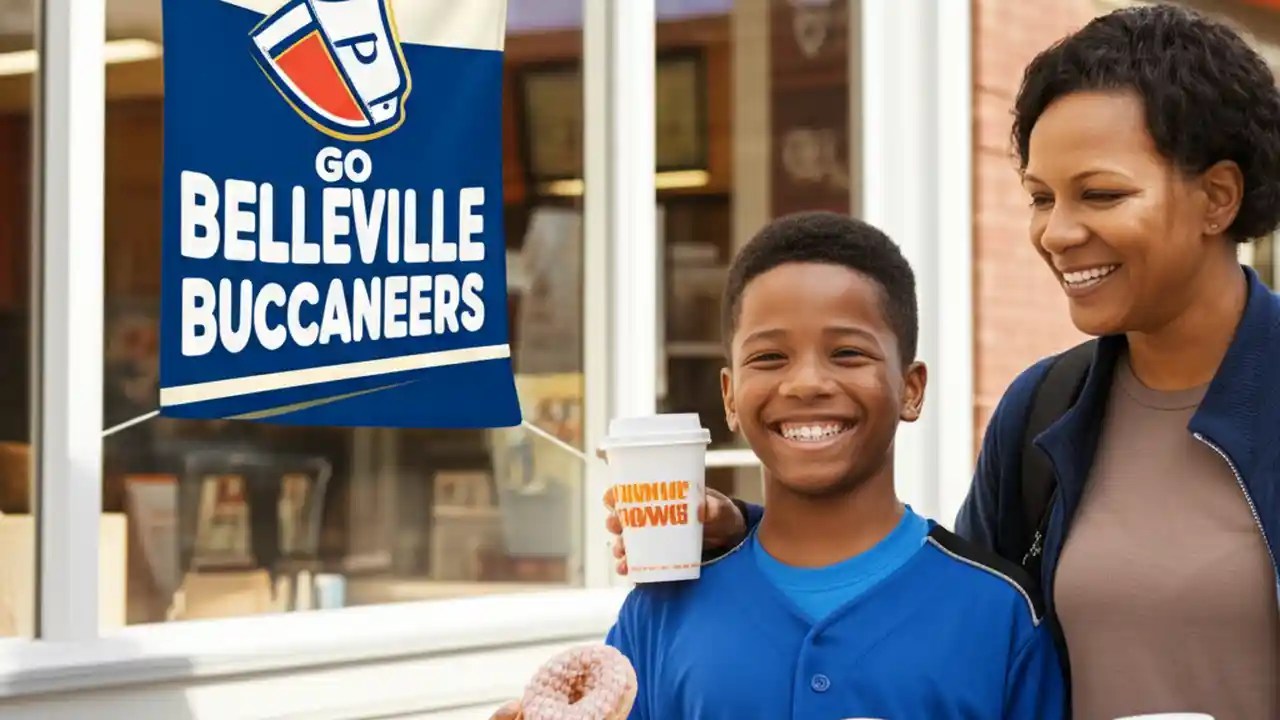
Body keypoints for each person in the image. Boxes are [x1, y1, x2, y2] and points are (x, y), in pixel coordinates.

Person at [608, 5, 1280, 720]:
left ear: (1218, 197)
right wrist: (758, 537)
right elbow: (957, 600)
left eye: (1102, 194)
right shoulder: (1048, 408)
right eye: (1041, 198)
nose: (1057, 232)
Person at [594, 211, 1062, 719]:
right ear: (729, 397)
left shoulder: (997, 614)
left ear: (911, 388)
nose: (806, 383)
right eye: (770, 358)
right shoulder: (661, 612)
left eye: (847, 353)